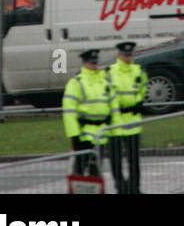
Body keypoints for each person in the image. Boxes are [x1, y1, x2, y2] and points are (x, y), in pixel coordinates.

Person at [62, 48, 112, 178]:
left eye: (95, 63)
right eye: (91, 63)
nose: (94, 66)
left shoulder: (104, 81)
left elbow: (111, 105)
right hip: (84, 135)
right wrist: (75, 136)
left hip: (101, 135)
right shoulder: (76, 83)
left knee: (96, 174)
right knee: (78, 174)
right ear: (84, 63)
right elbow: (69, 111)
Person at [107, 41, 148, 194]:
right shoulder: (111, 72)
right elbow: (109, 94)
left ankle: (135, 188)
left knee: (134, 161)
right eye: (125, 55)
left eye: (130, 55)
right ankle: (122, 188)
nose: (128, 58)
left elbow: (143, 87)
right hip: (116, 124)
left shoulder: (138, 70)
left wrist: (138, 101)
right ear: (118, 55)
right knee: (116, 161)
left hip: (133, 122)